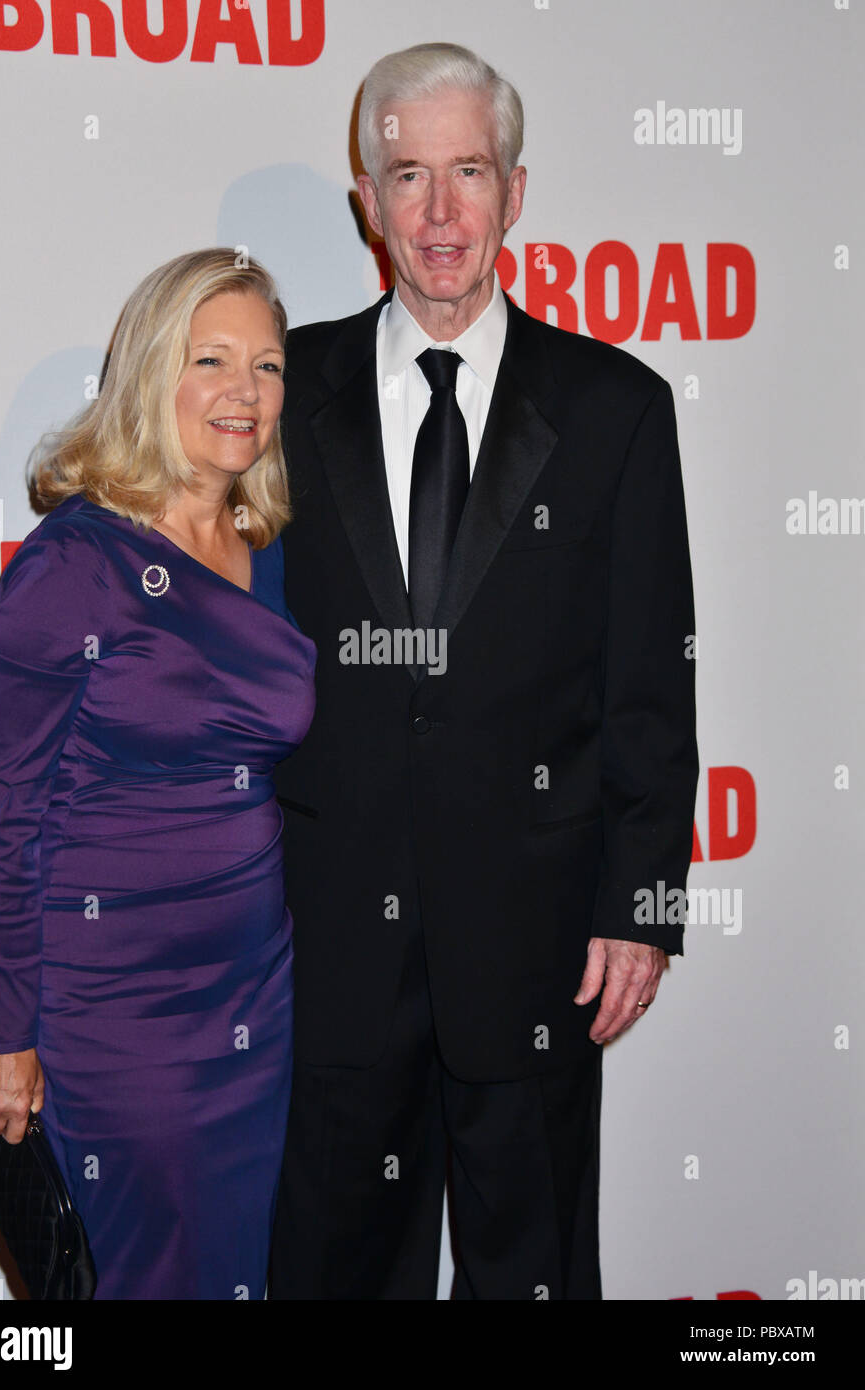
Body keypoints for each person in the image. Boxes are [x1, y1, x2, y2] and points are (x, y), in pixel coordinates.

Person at [269, 43, 698, 1300]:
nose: (440, 212)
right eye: (408, 175)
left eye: (469, 171)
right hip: (330, 935)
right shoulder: (284, 396)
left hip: (538, 936)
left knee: (536, 1275)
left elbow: (648, 676)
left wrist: (644, 900)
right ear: (365, 197)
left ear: (517, 189)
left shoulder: (615, 406)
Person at [0, 249, 316, 1300]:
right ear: (150, 375)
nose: (244, 393)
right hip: (115, 1010)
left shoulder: (271, 547)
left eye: (266, 365)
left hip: (255, 990)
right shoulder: (74, 564)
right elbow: (2, 817)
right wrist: (0, 1035)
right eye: (211, 360)